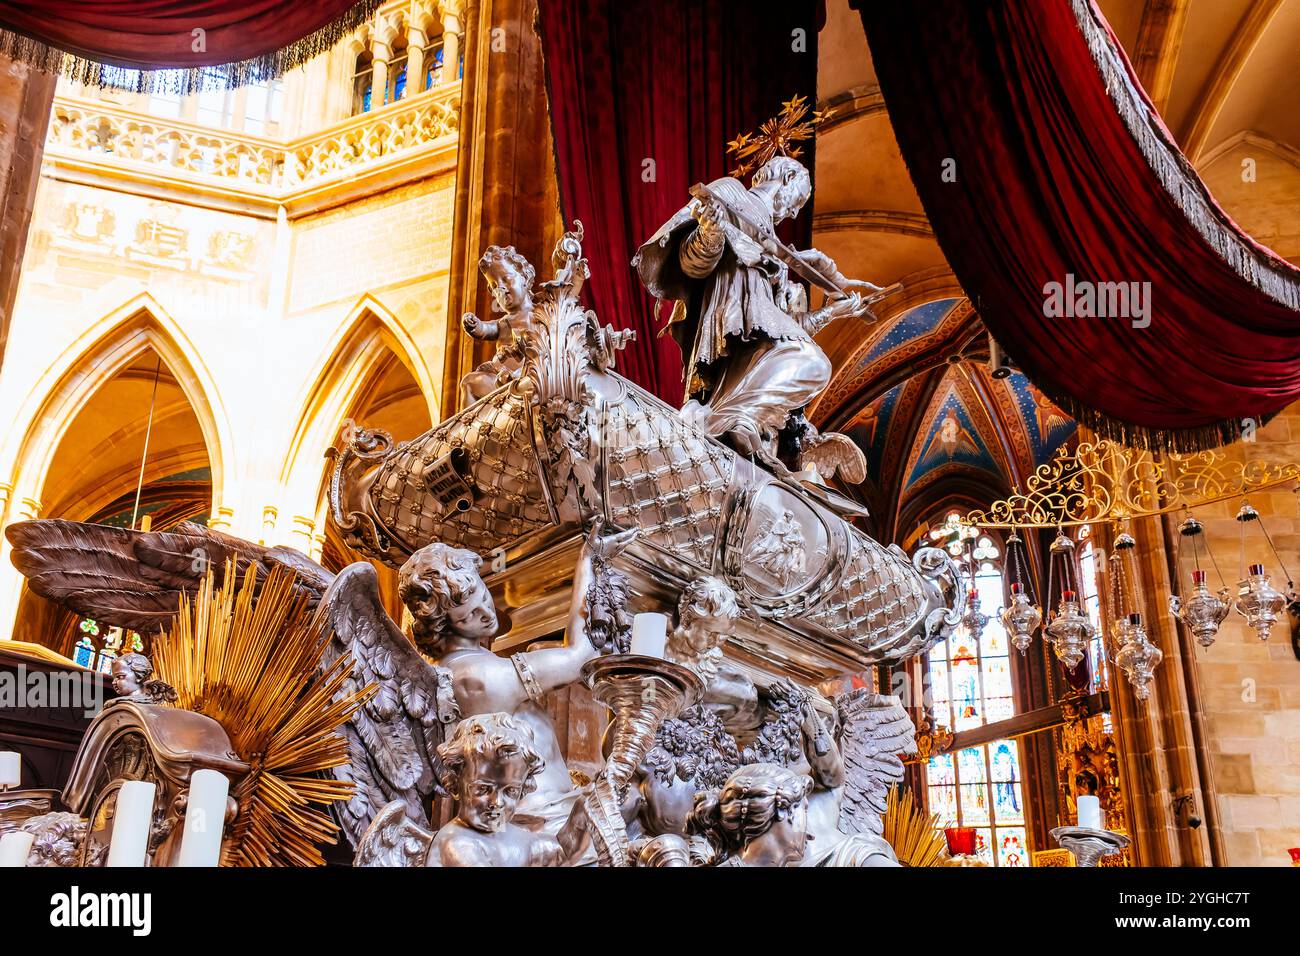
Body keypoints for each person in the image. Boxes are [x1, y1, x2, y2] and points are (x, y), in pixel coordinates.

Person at [634, 155, 881, 469]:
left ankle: (735, 421)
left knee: (812, 365)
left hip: (757, 333)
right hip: (730, 320)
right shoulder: (733, 193)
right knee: (814, 363)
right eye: (799, 199)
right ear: (785, 179)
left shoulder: (778, 247)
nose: (794, 211)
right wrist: (710, 233)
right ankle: (723, 420)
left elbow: (786, 326)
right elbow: (692, 263)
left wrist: (834, 311)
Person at [398, 520, 633, 839]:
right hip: (537, 825)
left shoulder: (469, 664)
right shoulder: (476, 677)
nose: (486, 613)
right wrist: (587, 560)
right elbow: (580, 658)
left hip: (555, 812)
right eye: (468, 615)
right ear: (444, 626)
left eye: (483, 594)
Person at [428, 713, 589, 867]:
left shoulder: (509, 835)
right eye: (483, 789)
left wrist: (585, 808)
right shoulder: (456, 843)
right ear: (456, 785)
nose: (497, 802)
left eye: (510, 791)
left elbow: (561, 853)